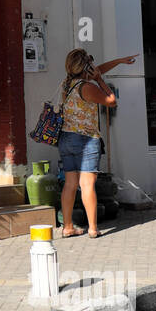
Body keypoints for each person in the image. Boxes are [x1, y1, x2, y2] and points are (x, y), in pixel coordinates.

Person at [56, 50, 136, 238]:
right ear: (86, 68)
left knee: (70, 184)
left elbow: (98, 69)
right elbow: (111, 101)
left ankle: (67, 227)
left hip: (66, 139)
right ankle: (93, 228)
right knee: (87, 185)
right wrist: (100, 80)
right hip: (85, 140)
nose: (94, 67)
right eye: (91, 64)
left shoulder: (67, 84)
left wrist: (119, 60)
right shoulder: (87, 87)